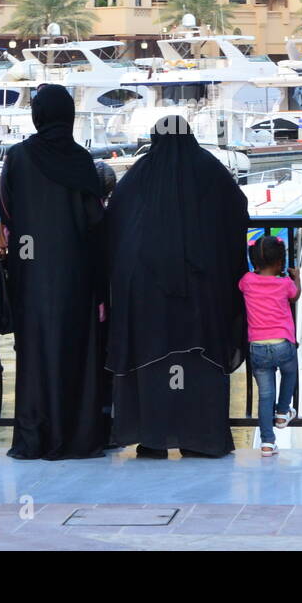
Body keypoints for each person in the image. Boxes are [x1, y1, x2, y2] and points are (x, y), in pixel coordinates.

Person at [106, 115, 249, 459]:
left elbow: (114, 225)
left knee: (153, 362)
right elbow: (237, 214)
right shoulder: (210, 171)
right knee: (197, 364)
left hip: (147, 295)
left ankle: (152, 437)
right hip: (202, 291)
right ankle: (200, 437)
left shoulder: (139, 176)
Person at [0, 84, 110, 460]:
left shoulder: (18, 158)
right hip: (76, 275)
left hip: (31, 275)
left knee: (35, 354)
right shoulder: (81, 160)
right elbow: (97, 221)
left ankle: (36, 436)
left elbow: (7, 214)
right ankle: (77, 436)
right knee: (76, 353)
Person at [240, 235, 299, 457]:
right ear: (279, 263)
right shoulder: (284, 284)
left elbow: (242, 286)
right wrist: (297, 279)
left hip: (257, 346)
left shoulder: (246, 281)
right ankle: (283, 412)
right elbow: (295, 296)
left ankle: (266, 443)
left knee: (265, 395)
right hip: (282, 343)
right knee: (290, 372)